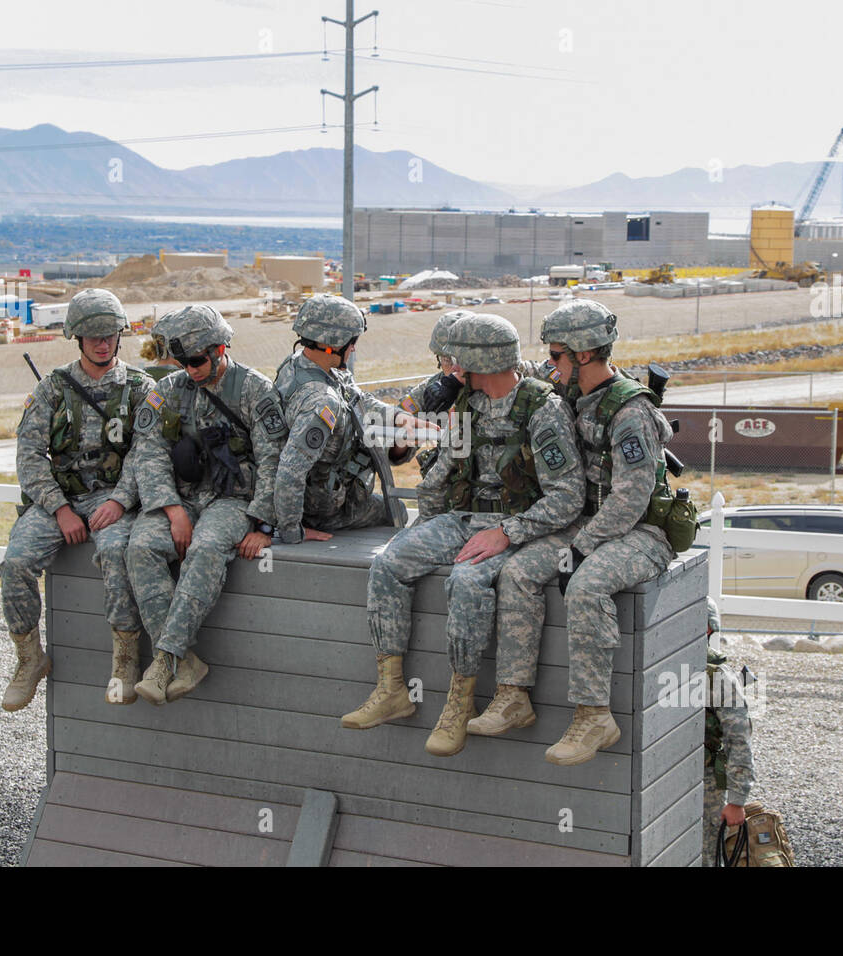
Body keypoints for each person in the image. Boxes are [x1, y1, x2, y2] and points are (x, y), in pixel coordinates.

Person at [341, 313, 585, 757]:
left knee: (467, 581)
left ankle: (459, 702)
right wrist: (424, 531)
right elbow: (441, 477)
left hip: (518, 524)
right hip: (464, 518)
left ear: (481, 362)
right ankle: (392, 688)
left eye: (458, 361)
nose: (451, 370)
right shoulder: (468, 406)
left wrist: (508, 533)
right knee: (388, 565)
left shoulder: (541, 409)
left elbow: (568, 496)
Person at [476, 298, 678, 765]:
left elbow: (631, 498)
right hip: (587, 524)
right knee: (519, 572)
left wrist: (582, 549)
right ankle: (513, 696)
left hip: (641, 532)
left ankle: (594, 716)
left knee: (586, 586)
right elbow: (521, 369)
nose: (549, 363)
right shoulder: (573, 388)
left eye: (556, 355)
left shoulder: (630, 412)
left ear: (583, 356)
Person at [0, 288, 154, 711]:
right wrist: (60, 509)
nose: (102, 343)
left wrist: (121, 501)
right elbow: (29, 458)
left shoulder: (140, 389)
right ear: (77, 339)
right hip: (60, 500)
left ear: (119, 337)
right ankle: (30, 659)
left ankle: (125, 660)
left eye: (108, 335)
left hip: (112, 500)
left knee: (117, 554)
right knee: (15, 564)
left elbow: (147, 454)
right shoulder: (53, 390)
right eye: (93, 336)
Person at [125, 304, 288, 705]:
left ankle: (165, 658)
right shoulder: (170, 390)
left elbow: (273, 460)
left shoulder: (254, 390)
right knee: (141, 546)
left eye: (197, 360)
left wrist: (263, 526)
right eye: (183, 361)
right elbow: (147, 452)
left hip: (233, 500)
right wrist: (173, 511)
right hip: (182, 498)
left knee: (206, 548)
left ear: (220, 349)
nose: (190, 369)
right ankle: (188, 661)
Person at [272, 294, 417, 544]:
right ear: (335, 342)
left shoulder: (304, 366)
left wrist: (397, 416)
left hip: (319, 500)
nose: (354, 347)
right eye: (352, 341)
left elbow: (357, 399)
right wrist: (292, 530)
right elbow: (290, 470)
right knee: (399, 511)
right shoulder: (321, 401)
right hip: (323, 512)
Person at [703, 597, 756, 866]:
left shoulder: (717, 676)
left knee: (708, 855)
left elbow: (739, 740)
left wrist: (736, 800)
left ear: (708, 630)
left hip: (707, 783)